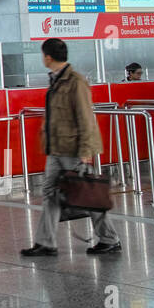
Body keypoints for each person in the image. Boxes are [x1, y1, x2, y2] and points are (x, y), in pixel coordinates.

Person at [21, 38, 121, 257]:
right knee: (50, 193)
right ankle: (46, 242)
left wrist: (86, 151)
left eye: (43, 55)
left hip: (73, 148)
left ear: (48, 57)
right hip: (56, 148)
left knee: (87, 194)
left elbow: (85, 117)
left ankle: (109, 239)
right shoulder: (56, 80)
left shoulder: (75, 81)